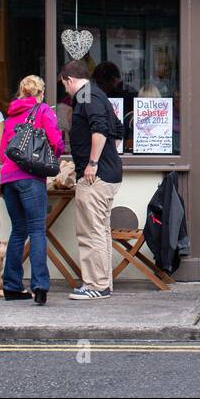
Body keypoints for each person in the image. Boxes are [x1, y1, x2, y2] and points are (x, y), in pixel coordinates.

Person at [0, 75, 63, 305]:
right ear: (40, 93)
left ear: (21, 92)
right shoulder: (43, 111)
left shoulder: (11, 114)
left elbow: (3, 152)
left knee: (18, 230)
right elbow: (56, 142)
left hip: (7, 179)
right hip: (30, 178)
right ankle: (40, 286)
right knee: (36, 230)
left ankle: (12, 286)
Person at [60, 59, 124, 300]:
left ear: (70, 80)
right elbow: (118, 129)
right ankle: (103, 283)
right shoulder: (98, 95)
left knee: (90, 232)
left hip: (95, 176)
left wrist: (93, 163)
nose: (65, 90)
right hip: (109, 174)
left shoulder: (86, 96)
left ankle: (96, 286)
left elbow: (100, 129)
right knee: (101, 231)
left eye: (64, 84)